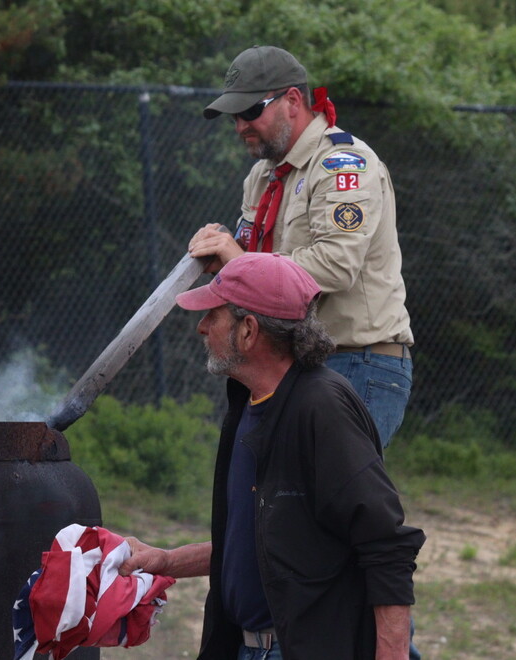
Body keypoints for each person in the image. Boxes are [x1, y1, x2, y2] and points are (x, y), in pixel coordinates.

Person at [118, 253, 425, 660]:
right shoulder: (249, 404)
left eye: (214, 314)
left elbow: (385, 544)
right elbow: (264, 542)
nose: (201, 327)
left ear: (248, 331)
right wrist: (166, 560)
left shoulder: (321, 407)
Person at [188, 45, 413, 449]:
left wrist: (239, 262)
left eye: (251, 111)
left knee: (329, 503)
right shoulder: (263, 175)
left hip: (356, 362)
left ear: (292, 100)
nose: (241, 126)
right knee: (275, 502)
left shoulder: (345, 164)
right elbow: (255, 263)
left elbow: (336, 266)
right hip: (294, 365)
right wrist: (220, 261)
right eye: (234, 117)